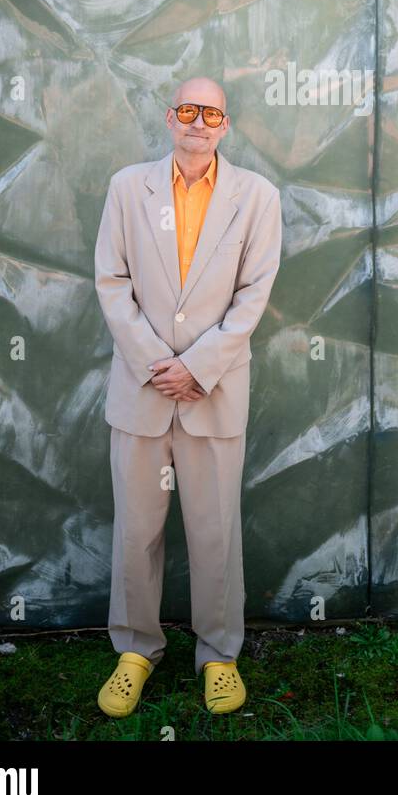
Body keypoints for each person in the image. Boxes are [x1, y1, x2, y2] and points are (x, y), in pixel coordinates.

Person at [93, 76, 283, 717]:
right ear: (169, 117)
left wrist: (198, 367)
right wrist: (156, 363)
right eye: (187, 110)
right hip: (142, 392)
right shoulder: (127, 188)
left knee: (214, 529)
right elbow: (111, 281)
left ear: (225, 124)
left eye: (211, 113)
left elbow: (252, 296)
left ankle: (219, 656)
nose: (198, 122)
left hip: (214, 393)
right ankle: (136, 650)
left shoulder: (257, 197)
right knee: (136, 530)